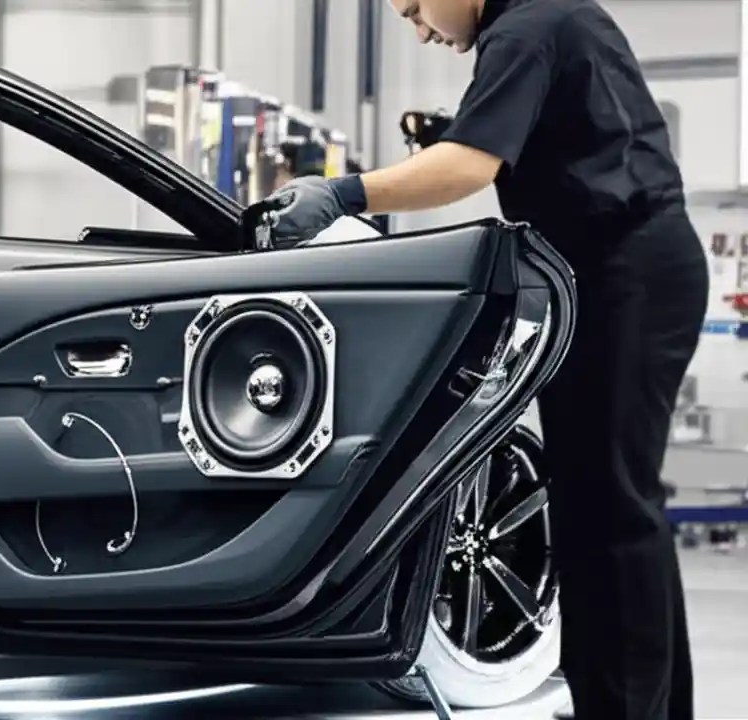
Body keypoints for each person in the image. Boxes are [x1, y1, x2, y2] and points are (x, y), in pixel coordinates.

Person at [263, 1, 707, 718]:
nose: (416, 25)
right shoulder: (545, 22)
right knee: (614, 506)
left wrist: (344, 191)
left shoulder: (527, 29)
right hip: (623, 271)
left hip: (627, 274)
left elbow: (470, 165)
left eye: (412, 5)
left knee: (608, 511)